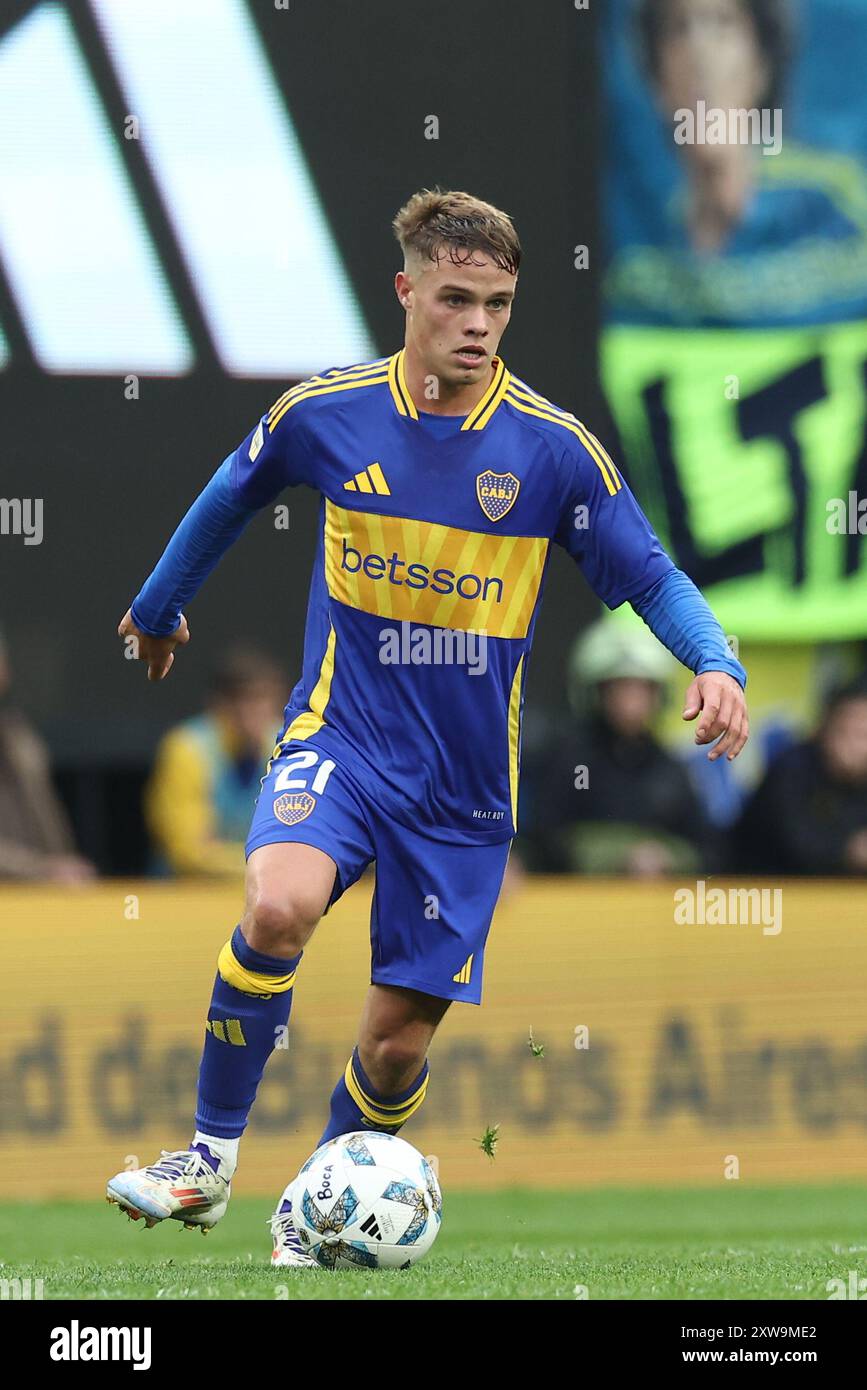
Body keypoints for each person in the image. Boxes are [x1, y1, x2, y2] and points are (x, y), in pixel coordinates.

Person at [106, 189, 748, 1265]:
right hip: (341, 739)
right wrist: (163, 602)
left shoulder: (551, 452)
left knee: (395, 1047)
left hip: (462, 792)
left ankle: (311, 1216)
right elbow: (232, 489)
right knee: (277, 905)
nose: (480, 322)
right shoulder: (328, 412)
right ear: (407, 292)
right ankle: (207, 1161)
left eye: (498, 302)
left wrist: (716, 660)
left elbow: (650, 572)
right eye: (456, 297)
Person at [522, 620, 710, 876]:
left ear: (659, 695)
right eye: (620, 687)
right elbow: (542, 841)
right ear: (595, 692)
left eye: (642, 688)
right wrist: (616, 856)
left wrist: (668, 858)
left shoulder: (670, 770)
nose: (631, 701)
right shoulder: (571, 762)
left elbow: (708, 848)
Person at [145, 648, 285, 877]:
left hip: (262, 890)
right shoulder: (187, 750)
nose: (255, 714)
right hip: (184, 894)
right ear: (218, 704)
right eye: (245, 701)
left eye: (264, 700)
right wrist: (271, 864)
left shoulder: (286, 747)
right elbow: (189, 853)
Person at [735, 675, 867, 874]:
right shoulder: (791, 768)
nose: (853, 744)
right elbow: (795, 843)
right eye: (846, 731)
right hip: (764, 892)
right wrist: (847, 849)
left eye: (862, 734)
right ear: (825, 729)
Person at [0, 627, 95, 883]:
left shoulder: (20, 735)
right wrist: (40, 870)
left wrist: (61, 866)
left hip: (41, 899)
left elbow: (46, 815)